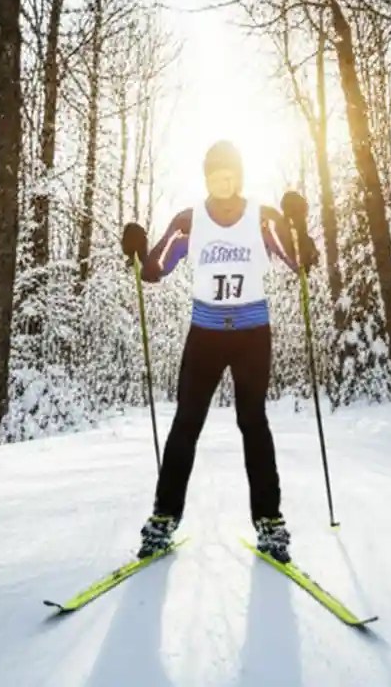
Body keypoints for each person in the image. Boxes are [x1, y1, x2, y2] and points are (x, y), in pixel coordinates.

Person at [119, 140, 319, 564]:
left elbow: (300, 261)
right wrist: (137, 249)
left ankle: (270, 523)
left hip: (251, 336)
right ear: (205, 178)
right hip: (206, 336)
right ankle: (162, 520)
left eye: (228, 174)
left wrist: (299, 224)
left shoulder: (263, 218)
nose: (221, 183)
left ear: (239, 176)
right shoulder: (189, 221)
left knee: (253, 422)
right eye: (213, 176)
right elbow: (153, 270)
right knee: (186, 424)